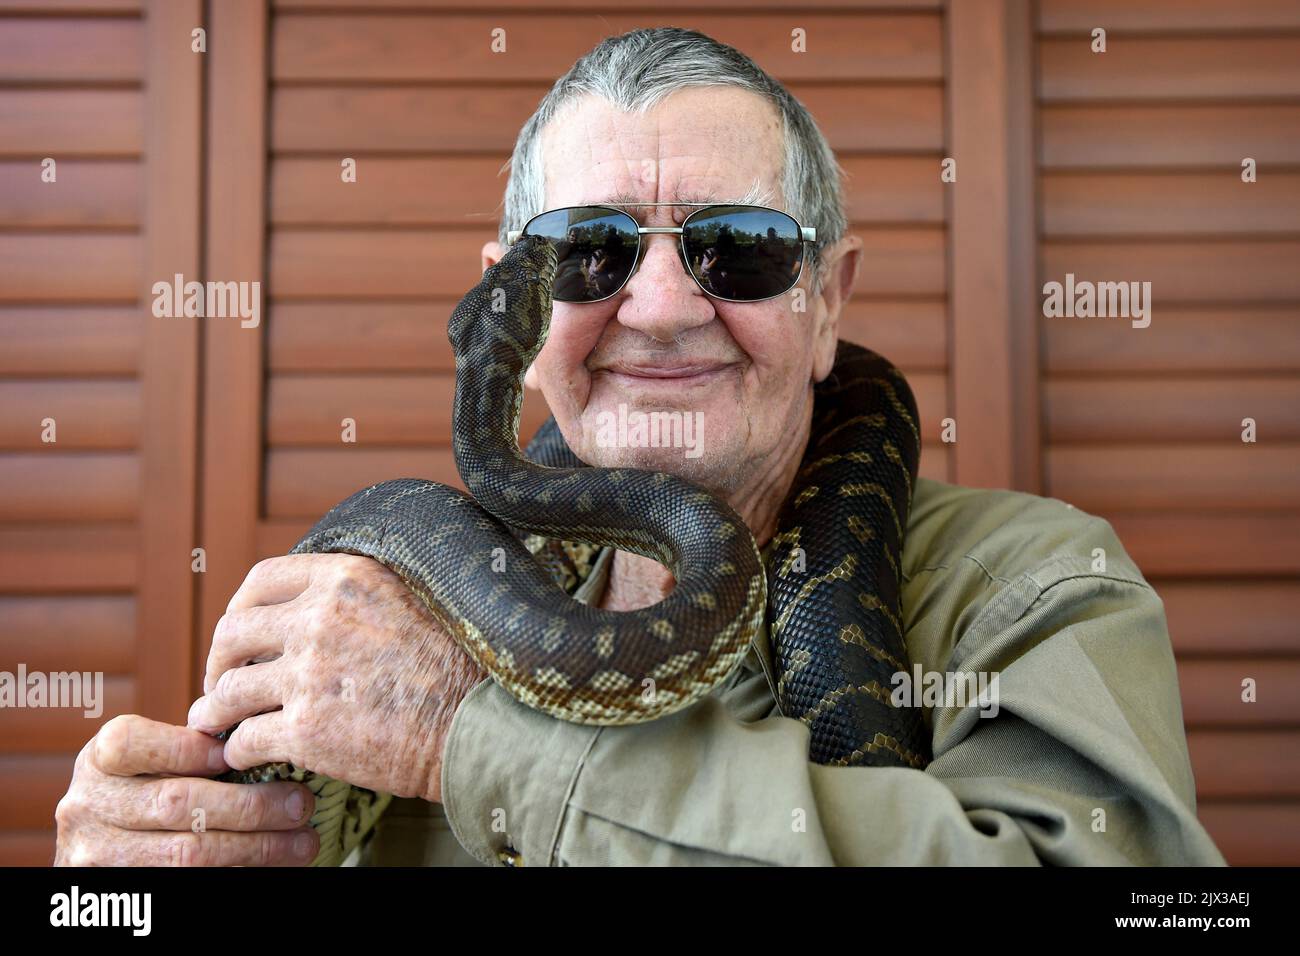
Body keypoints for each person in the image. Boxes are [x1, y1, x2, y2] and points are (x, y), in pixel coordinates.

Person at [54, 27, 1224, 867]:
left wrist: (474, 737)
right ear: (516, 306)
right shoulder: (372, 619)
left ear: (828, 304)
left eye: (743, 248)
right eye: (587, 250)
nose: (660, 305)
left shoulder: (1035, 588)